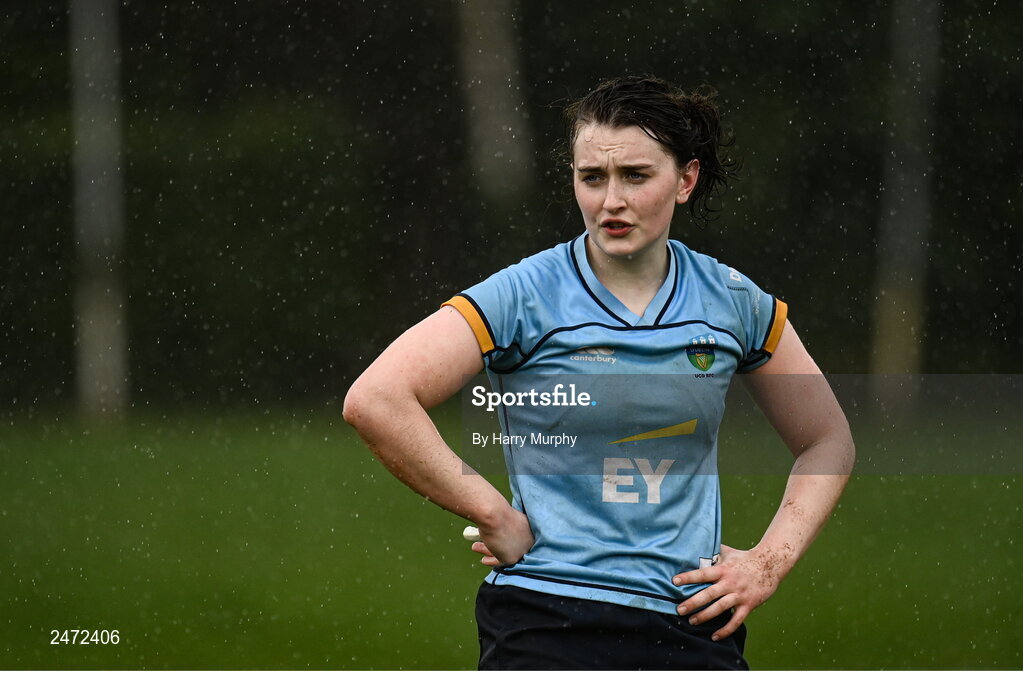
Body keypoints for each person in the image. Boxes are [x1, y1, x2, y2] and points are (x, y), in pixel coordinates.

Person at [343, 75, 854, 670]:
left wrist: (767, 563)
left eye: (635, 176)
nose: (611, 200)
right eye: (593, 177)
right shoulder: (522, 294)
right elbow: (376, 398)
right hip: (546, 622)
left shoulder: (734, 301)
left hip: (691, 627)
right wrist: (491, 512)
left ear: (685, 180)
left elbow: (827, 439)